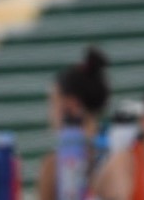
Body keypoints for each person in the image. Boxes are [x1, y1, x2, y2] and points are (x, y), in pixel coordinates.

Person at [40, 47, 114, 200]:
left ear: (70, 106)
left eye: (52, 102)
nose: (50, 113)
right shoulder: (123, 150)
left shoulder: (54, 163)